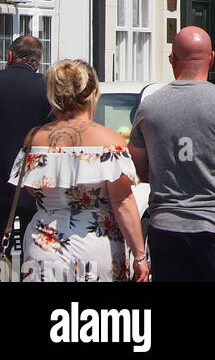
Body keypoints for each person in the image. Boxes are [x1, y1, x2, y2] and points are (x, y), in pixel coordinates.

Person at [128, 26, 215, 281]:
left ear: (172, 59)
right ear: (212, 58)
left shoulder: (148, 108)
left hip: (167, 229)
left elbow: (141, 169)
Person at [10, 58, 148, 282]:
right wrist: (140, 256)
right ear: (93, 92)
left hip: (43, 242)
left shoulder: (34, 138)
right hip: (94, 242)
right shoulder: (109, 140)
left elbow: (31, 190)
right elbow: (123, 202)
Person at [0, 35, 50, 234]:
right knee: (34, 248)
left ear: (10, 55)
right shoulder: (47, 87)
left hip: (1, 182)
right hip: (33, 182)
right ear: (38, 63)